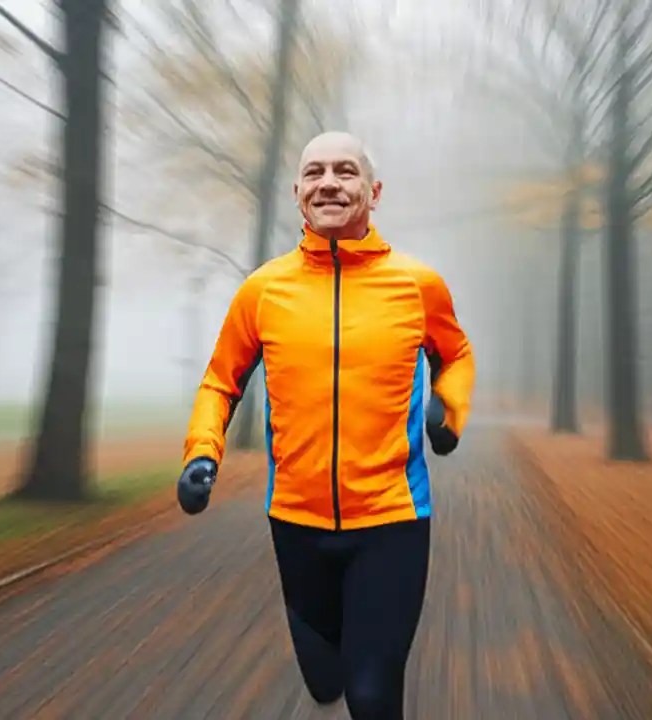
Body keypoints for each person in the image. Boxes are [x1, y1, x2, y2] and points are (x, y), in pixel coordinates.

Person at [175, 131, 475, 720]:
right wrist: (199, 454)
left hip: (393, 519)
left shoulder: (417, 285)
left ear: (373, 190)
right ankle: (327, 660)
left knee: (371, 694)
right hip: (295, 521)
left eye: (345, 171)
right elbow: (220, 381)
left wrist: (449, 411)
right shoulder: (262, 291)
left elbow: (456, 354)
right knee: (323, 679)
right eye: (315, 173)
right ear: (297, 192)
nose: (329, 183)